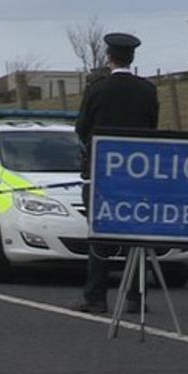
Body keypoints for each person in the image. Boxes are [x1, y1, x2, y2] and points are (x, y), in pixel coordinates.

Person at [72, 32, 160, 314]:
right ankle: (136, 295)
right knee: (137, 234)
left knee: (99, 234)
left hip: (103, 174)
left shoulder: (96, 89)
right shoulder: (147, 90)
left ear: (109, 57)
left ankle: (96, 297)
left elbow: (82, 129)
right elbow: (152, 128)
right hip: (139, 175)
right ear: (132, 58)